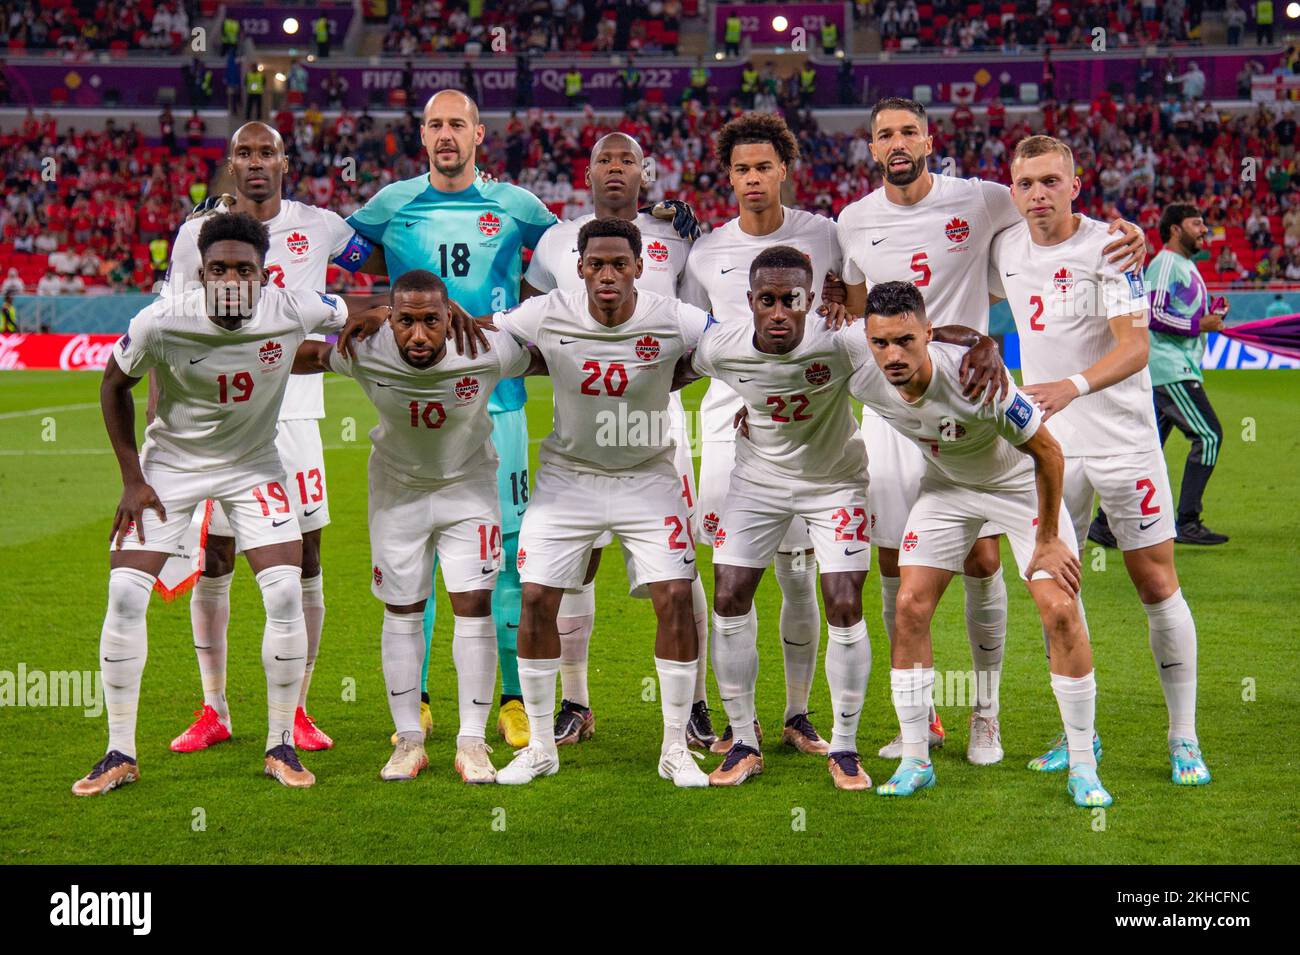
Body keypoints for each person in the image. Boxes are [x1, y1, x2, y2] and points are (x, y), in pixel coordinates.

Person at [835, 97, 1146, 764]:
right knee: (898, 565)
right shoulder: (853, 219)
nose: (897, 142)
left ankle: (987, 714)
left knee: (980, 558)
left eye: (908, 131)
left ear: (928, 138)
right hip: (897, 409)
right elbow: (861, 312)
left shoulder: (980, 199)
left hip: (974, 401)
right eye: (884, 133)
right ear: (870, 147)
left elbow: (1059, 216)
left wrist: (1129, 234)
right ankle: (923, 721)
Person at [72, 212, 384, 796]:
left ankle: (279, 743)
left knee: (287, 587)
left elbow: (366, 311)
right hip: (171, 467)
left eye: (244, 269)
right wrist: (132, 478)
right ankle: (119, 752)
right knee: (123, 591)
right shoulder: (161, 320)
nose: (232, 279)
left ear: (264, 275)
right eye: (219, 269)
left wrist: (414, 312)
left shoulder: (290, 307)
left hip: (252, 465)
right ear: (202, 272)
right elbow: (113, 385)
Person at [678, 247, 1006, 789]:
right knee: (729, 595)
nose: (780, 311)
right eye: (768, 300)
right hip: (756, 483)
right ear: (750, 302)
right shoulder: (722, 346)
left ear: (810, 299)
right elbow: (669, 369)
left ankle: (846, 747)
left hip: (835, 485)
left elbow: (924, 334)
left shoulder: (842, 340)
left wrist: (986, 344)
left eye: (792, 299)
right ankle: (743, 741)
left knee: (845, 603)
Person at [990, 136, 1210, 788]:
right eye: (1026, 183)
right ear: (1012, 190)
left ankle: (1184, 736)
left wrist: (1071, 386)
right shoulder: (1004, 248)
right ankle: (1078, 733)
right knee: (1054, 594)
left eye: (1051, 181)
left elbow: (1135, 347)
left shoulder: (1109, 247)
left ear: (1075, 184)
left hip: (1124, 442)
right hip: (1050, 450)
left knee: (1155, 582)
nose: (1038, 194)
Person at [345, 90, 559, 749]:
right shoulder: (389, 204)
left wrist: (513, 321)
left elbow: (560, 271)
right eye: (435, 124)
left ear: (477, 134)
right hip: (417, 408)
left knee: (507, 560)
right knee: (421, 556)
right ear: (422, 135)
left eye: (456, 124)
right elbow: (351, 261)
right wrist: (377, 309)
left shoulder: (518, 207)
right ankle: (424, 700)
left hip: (499, 409)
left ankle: (514, 699)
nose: (446, 134)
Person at [161, 122, 383, 755]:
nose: (256, 163)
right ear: (231, 165)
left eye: (267, 152)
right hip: (220, 422)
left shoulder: (322, 226)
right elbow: (171, 329)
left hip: (295, 417)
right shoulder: (195, 236)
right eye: (244, 153)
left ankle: (301, 707)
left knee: (305, 556)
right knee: (219, 559)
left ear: (285, 161)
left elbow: (384, 254)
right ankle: (215, 707)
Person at [467, 217, 712, 788]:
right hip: (568, 480)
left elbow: (727, 342)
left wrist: (682, 374)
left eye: (618, 264)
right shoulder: (549, 309)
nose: (607, 274)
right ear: (578, 268)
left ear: (639, 267)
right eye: (596, 264)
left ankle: (676, 747)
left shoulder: (669, 314)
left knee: (676, 595)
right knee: (535, 599)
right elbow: (483, 331)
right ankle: (542, 748)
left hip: (647, 477)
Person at [849, 281, 1112, 809]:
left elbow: (1050, 453)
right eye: (881, 344)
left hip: (1020, 487)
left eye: (906, 341)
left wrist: (1049, 539)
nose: (892, 356)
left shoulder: (977, 382)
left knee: (1059, 608)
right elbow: (801, 373)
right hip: (948, 489)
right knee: (909, 605)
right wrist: (758, 416)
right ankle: (916, 759)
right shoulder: (864, 372)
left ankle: (1084, 762)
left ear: (928, 335)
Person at [292, 270, 545, 782]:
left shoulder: (486, 349)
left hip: (468, 490)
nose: (419, 334)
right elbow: (310, 356)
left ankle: (472, 743)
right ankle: (409, 739)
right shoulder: (367, 347)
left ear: (449, 316)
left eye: (432, 320)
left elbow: (550, 357)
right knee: (402, 608)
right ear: (391, 318)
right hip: (397, 495)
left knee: (473, 604)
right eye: (405, 320)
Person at [522, 133, 712, 749]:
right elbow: (538, 319)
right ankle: (575, 701)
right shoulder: (556, 238)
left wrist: (668, 376)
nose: (615, 169)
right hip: (581, 428)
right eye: (604, 159)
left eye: (627, 160)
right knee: (574, 565)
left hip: (656, 427)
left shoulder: (680, 234)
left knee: (678, 574)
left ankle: (698, 705)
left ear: (647, 172)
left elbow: (703, 330)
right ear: (587, 171)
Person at [681, 112, 844, 757]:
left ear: (784, 168)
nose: (753, 179)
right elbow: (697, 339)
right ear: (729, 176)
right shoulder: (707, 252)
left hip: (808, 426)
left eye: (764, 167)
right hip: (727, 427)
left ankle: (798, 714)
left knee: (800, 573)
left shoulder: (827, 236)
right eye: (742, 169)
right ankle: (736, 723)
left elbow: (850, 313)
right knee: (732, 577)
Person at [1112, 203, 1228, 546]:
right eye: (1197, 223)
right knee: (1208, 437)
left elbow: (1175, 312)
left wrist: (1210, 314)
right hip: (1170, 368)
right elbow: (1154, 314)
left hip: (1173, 367)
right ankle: (1188, 521)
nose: (1204, 229)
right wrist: (1198, 324)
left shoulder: (1184, 265)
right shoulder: (1164, 263)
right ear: (1176, 229)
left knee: (1145, 446)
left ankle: (1105, 522)